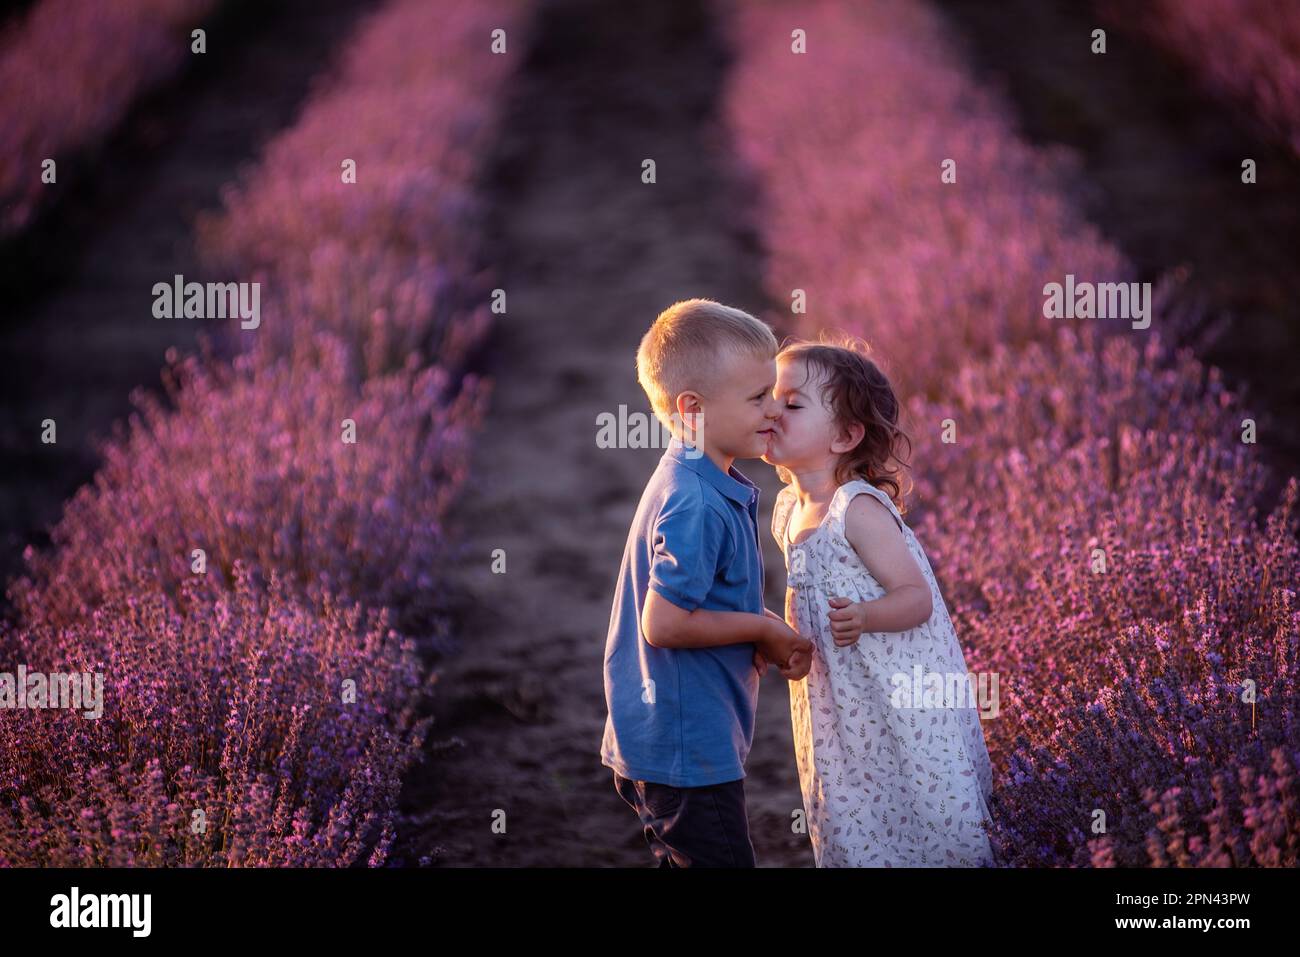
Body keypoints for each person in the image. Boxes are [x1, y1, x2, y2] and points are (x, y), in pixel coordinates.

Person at [765, 337, 996, 866]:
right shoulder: (787, 510)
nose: (773, 411)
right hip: (842, 706)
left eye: (793, 404)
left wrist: (867, 616)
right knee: (854, 805)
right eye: (768, 397)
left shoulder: (856, 508)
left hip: (897, 700)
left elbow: (916, 600)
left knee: (915, 797)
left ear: (846, 435)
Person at [600, 298, 813, 867]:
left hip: (678, 733)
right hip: (684, 745)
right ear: (692, 410)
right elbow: (664, 622)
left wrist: (766, 623)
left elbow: (707, 594)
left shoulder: (699, 474)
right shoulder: (694, 502)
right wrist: (759, 631)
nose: (774, 410)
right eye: (756, 398)